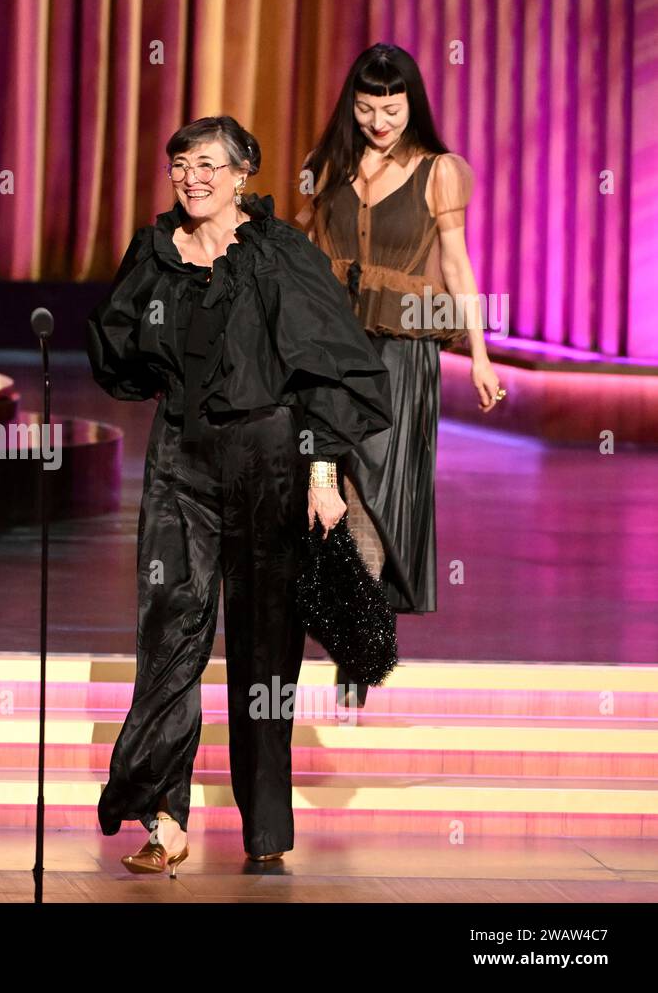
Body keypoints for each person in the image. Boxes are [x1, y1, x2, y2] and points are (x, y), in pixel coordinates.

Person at [87, 115, 392, 868]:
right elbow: (120, 353)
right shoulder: (155, 251)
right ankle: (165, 818)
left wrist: (323, 472)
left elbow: (331, 366)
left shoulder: (280, 255)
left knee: (264, 646)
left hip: (269, 456)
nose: (194, 177)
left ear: (243, 174)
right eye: (181, 164)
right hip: (179, 459)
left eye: (209, 165)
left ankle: (264, 832)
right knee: (169, 628)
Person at [299, 43, 503, 616]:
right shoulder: (328, 165)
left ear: (413, 104)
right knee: (324, 487)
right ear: (351, 104)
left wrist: (481, 355)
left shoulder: (440, 171)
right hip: (333, 350)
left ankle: (359, 648)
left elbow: (457, 263)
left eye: (392, 109)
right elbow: (308, 258)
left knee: (372, 495)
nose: (379, 122)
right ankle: (344, 629)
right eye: (367, 109)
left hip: (401, 357)